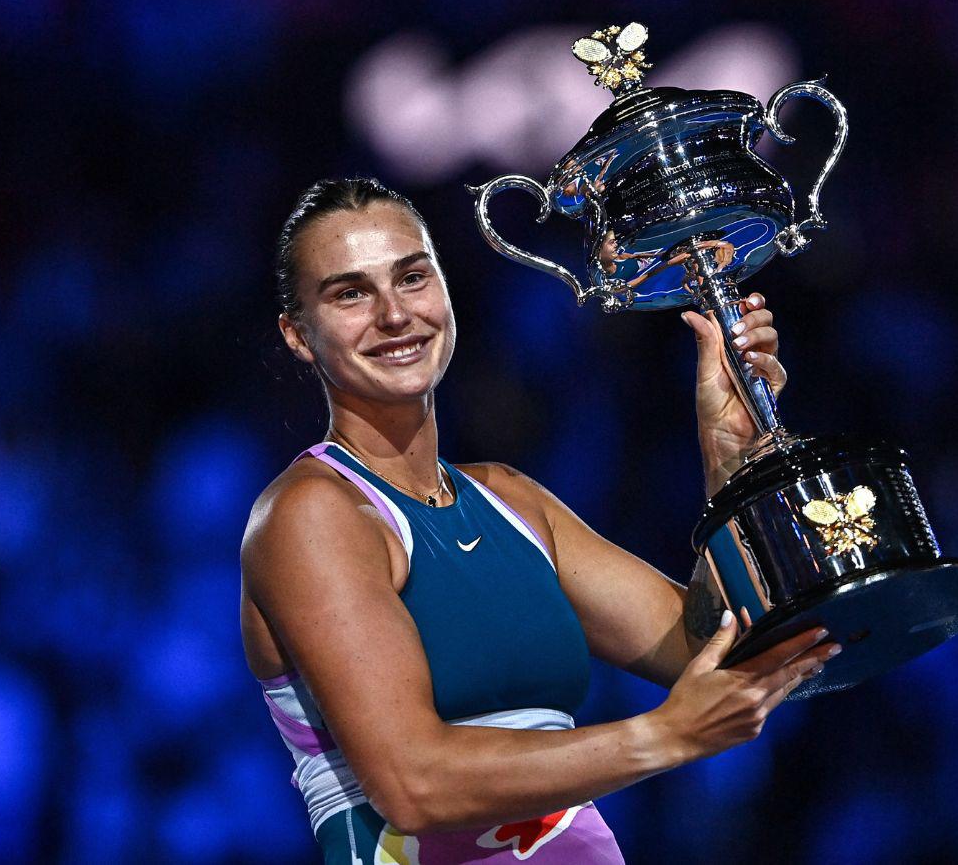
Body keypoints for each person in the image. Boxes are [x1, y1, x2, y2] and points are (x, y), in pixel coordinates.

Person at [239, 177, 842, 863]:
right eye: (350, 293)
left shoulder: (512, 501)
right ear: (298, 334)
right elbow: (413, 784)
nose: (394, 314)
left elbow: (722, 651)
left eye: (413, 278)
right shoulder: (310, 514)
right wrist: (665, 735)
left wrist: (729, 455)